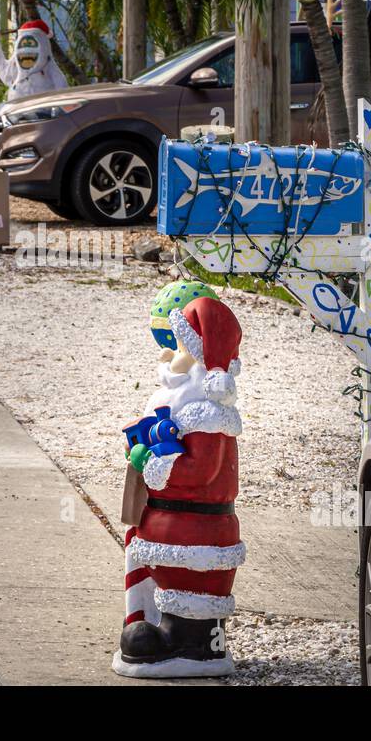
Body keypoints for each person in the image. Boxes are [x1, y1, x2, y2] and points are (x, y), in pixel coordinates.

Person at [113, 290, 246, 678]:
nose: (167, 359)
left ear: (203, 360)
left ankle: (196, 644)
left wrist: (150, 460)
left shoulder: (209, 413)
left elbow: (197, 473)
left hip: (197, 533)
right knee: (173, 592)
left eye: (178, 349)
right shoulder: (188, 406)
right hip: (179, 532)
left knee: (195, 593)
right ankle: (177, 630)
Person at [0, 19, 68, 100]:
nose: (27, 49)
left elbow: (62, 89)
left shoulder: (48, 64)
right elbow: (5, 73)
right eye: (25, 44)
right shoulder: (17, 62)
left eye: (30, 44)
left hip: (43, 107)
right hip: (18, 107)